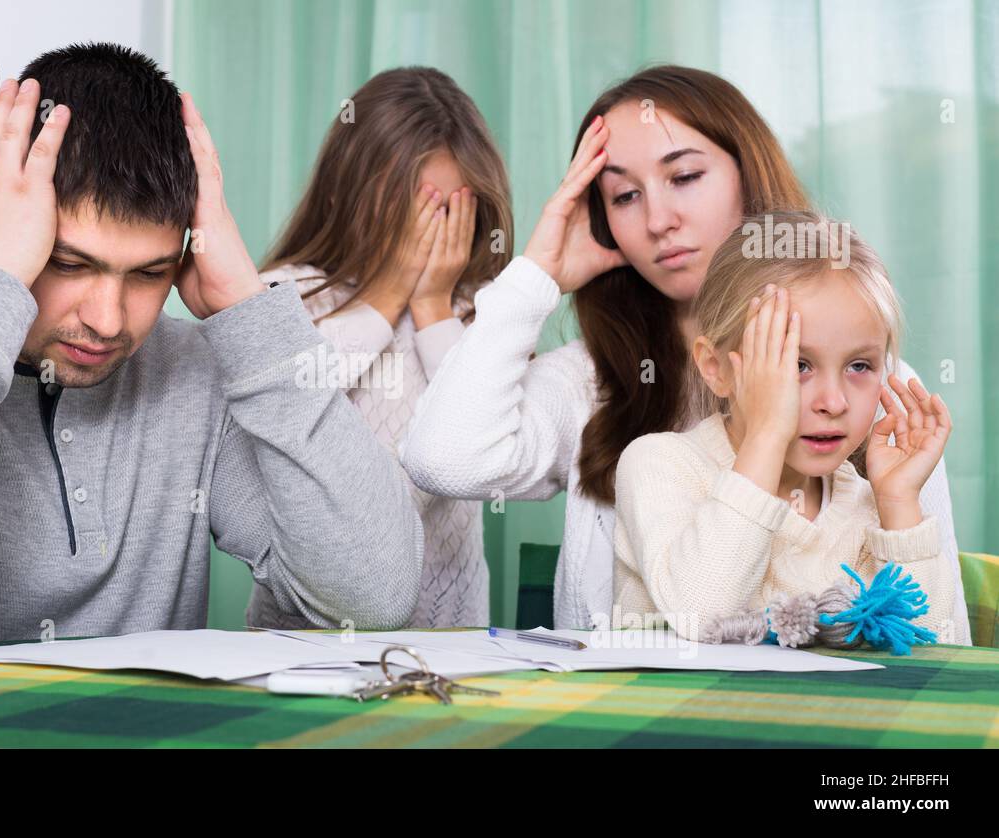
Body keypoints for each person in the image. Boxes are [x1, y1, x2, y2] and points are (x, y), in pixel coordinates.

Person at [0, 43, 423, 659]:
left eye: (150, 274)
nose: (106, 321)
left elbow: (370, 601)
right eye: (68, 262)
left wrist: (250, 310)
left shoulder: (197, 376)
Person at [401, 65, 969, 642]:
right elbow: (443, 458)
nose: (657, 220)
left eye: (685, 176)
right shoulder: (591, 382)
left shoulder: (876, 392)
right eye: (624, 196)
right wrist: (537, 274)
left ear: (749, 177)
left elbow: (938, 639)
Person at [247, 67, 513, 629]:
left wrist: (435, 308)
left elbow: (485, 440)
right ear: (350, 189)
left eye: (444, 211)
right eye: (407, 206)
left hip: (452, 637)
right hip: (308, 633)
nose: (423, 230)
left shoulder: (478, 309)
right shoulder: (290, 292)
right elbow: (284, 403)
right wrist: (387, 295)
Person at [613, 210, 956, 643]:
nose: (833, 402)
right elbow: (701, 615)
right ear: (716, 368)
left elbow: (937, 653)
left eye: (859, 365)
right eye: (797, 365)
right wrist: (767, 434)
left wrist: (898, 503)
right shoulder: (660, 464)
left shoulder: (870, 507)